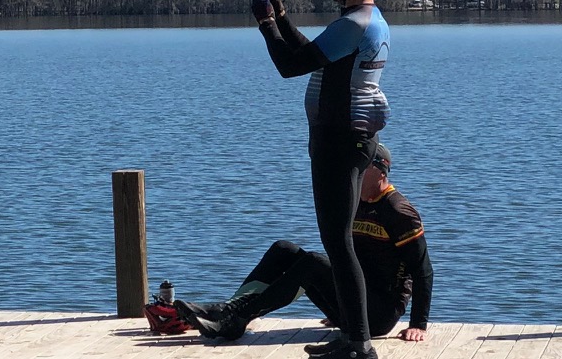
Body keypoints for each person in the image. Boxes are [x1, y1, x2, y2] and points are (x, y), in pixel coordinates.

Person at [250, 0, 394, 359]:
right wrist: (282, 18)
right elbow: (312, 55)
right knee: (339, 241)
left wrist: (265, 24)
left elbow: (290, 66)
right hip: (349, 140)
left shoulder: (355, 24)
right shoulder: (368, 20)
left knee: (338, 243)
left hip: (338, 141)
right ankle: (352, 337)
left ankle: (360, 346)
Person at [173, 141, 432, 345]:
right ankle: (228, 311)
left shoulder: (398, 211)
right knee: (283, 249)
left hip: (377, 316)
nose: (352, 170)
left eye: (361, 165)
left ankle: (237, 319)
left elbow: (423, 270)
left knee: (314, 263)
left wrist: (418, 324)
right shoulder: (355, 202)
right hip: (353, 301)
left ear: (380, 170)